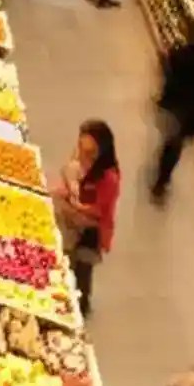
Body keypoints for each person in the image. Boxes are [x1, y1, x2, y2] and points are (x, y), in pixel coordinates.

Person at [53, 120, 120, 316]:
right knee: (69, 261)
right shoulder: (82, 161)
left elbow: (100, 210)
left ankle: (81, 306)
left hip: (91, 232)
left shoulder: (109, 177)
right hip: (75, 224)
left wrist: (76, 206)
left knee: (83, 268)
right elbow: (70, 174)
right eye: (81, 148)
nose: (83, 155)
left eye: (90, 152)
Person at [153, 21, 194, 200]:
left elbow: (167, 68)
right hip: (192, 109)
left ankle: (162, 176)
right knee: (176, 143)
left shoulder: (179, 54)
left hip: (174, 103)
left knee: (172, 140)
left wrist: (163, 58)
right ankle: (163, 177)